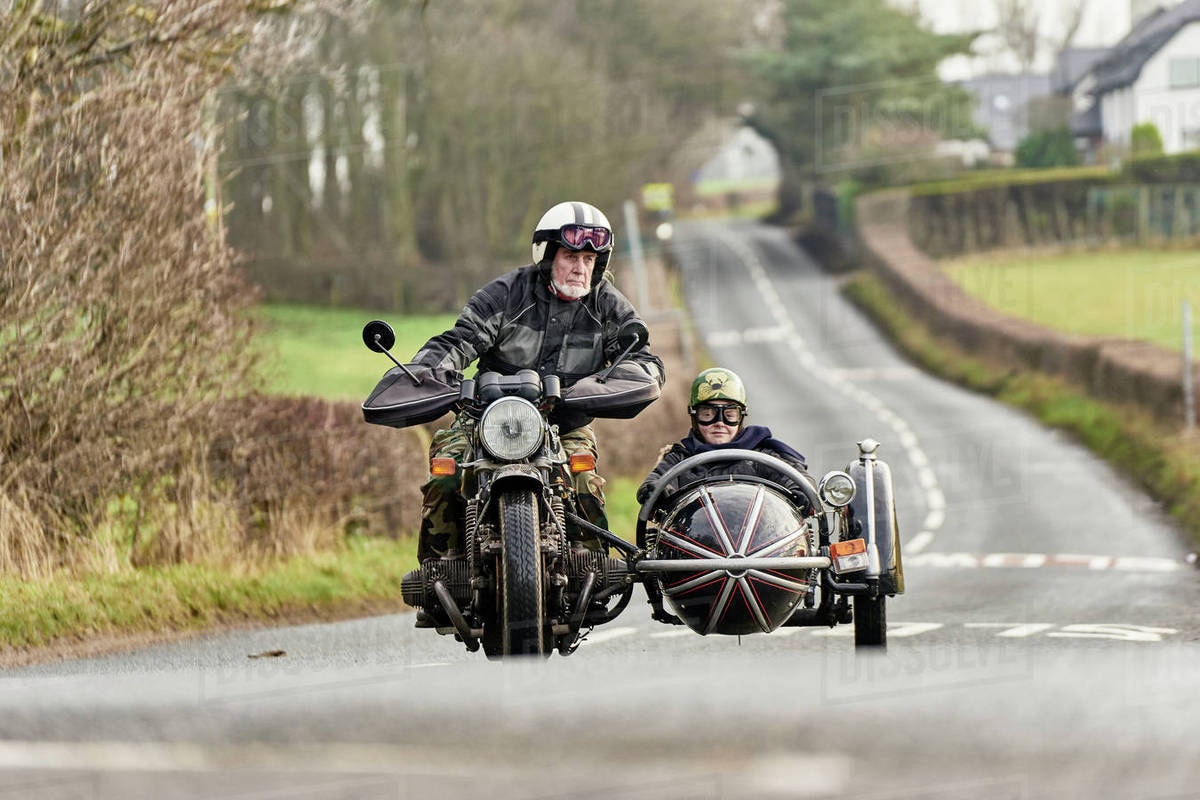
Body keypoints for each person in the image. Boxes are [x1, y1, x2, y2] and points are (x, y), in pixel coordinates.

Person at [410, 201, 664, 563]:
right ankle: (440, 572)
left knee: (584, 480)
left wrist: (611, 387)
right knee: (445, 475)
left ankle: (590, 567)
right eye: (570, 256)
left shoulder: (607, 305)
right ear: (546, 255)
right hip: (487, 418)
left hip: (567, 422)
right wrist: (426, 371)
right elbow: (458, 340)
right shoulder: (506, 294)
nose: (580, 268)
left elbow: (641, 355)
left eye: (589, 260)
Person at [636, 367, 814, 507]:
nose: (719, 423)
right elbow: (652, 484)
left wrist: (799, 492)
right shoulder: (679, 460)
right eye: (708, 414)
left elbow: (801, 481)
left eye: (729, 415)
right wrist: (659, 492)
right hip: (694, 546)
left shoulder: (763, 456)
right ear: (694, 417)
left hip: (761, 546)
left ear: (741, 418)